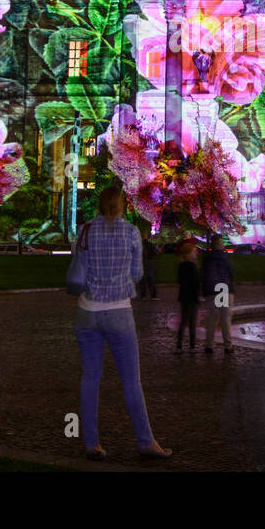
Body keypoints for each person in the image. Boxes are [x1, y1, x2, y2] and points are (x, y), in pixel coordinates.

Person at [73, 184, 171, 460]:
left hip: (87, 311)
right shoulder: (130, 232)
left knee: (90, 378)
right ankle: (146, 440)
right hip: (118, 312)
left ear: (100, 204)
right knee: (131, 380)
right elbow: (138, 274)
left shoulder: (85, 230)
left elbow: (79, 267)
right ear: (123, 205)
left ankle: (91, 442)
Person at [201, 235, 235, 355]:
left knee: (212, 318)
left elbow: (203, 275)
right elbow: (231, 273)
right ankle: (227, 345)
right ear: (220, 244)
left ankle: (209, 345)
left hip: (211, 290)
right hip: (223, 289)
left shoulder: (206, 258)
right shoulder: (225, 256)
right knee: (225, 318)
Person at [176, 240, 200, 354]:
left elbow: (180, 280)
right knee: (192, 323)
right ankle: (192, 346)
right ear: (188, 254)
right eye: (194, 252)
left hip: (184, 296)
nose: (195, 254)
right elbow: (195, 282)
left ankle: (179, 346)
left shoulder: (181, 266)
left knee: (184, 322)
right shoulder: (192, 266)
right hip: (192, 297)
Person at [137, 227, 158, 300]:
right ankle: (149, 295)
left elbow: (154, 252)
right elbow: (155, 252)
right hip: (145, 262)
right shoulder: (146, 244)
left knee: (148, 279)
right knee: (147, 279)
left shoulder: (145, 244)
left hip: (146, 262)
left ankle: (148, 295)